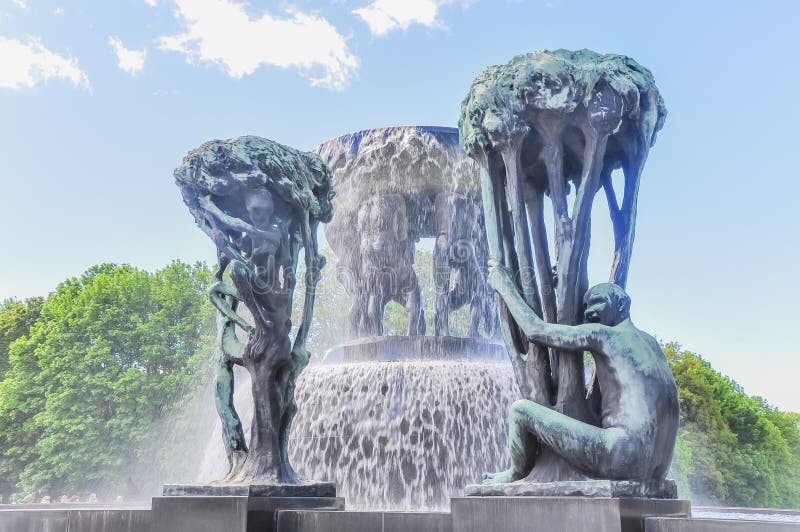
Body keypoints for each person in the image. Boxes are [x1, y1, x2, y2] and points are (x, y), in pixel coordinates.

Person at [484, 261, 679, 483]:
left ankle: (516, 473)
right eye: (585, 307)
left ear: (623, 305)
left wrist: (504, 286)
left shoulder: (604, 335)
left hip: (620, 455)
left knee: (521, 411)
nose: (588, 313)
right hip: (656, 468)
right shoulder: (651, 344)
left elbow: (536, 330)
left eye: (596, 303)